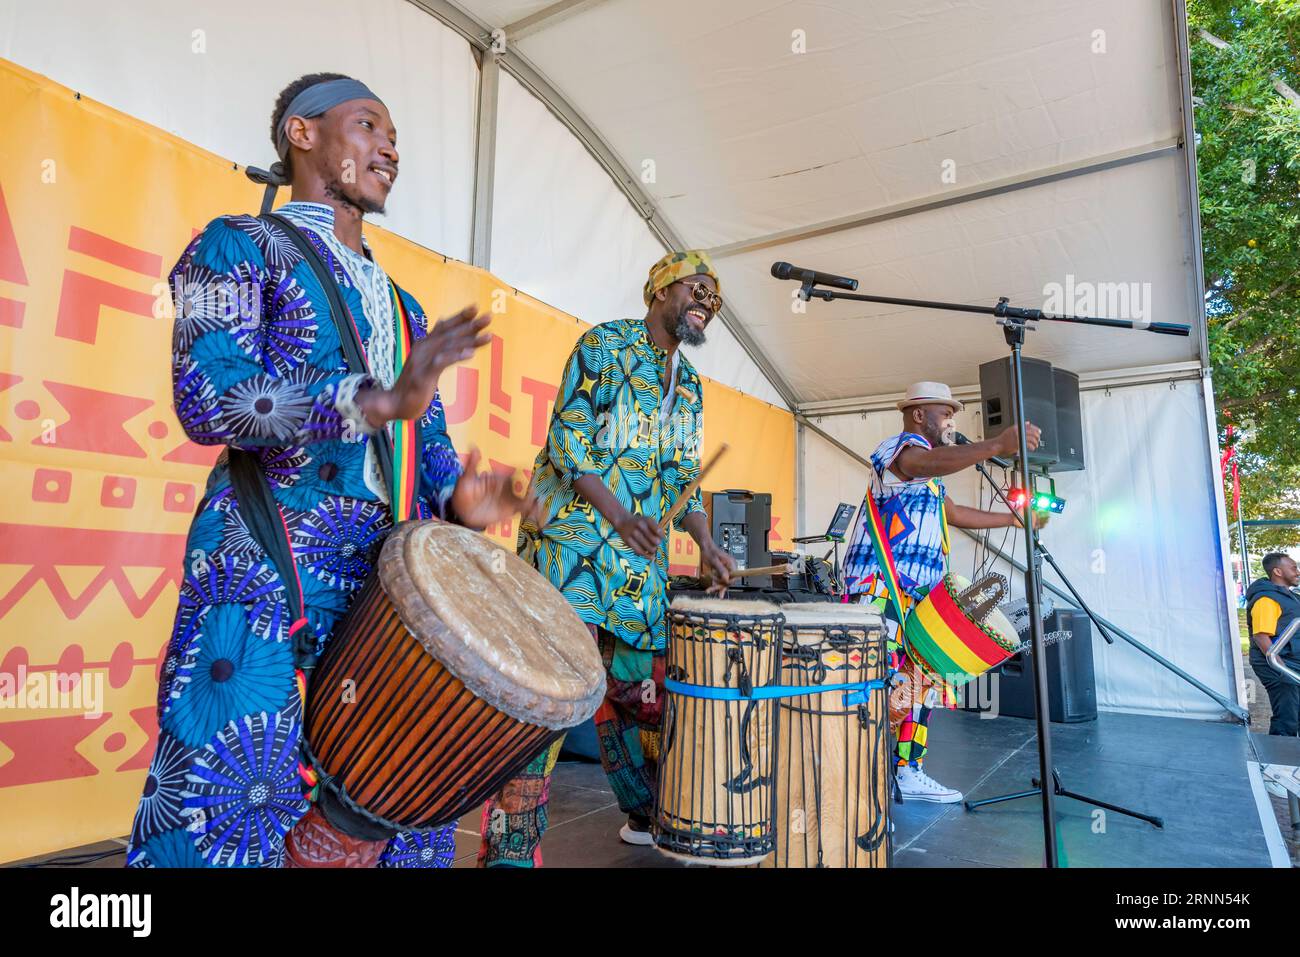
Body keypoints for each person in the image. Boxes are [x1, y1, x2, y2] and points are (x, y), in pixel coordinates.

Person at [126, 73, 533, 868]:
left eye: (395, 137)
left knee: (398, 805)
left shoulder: (406, 305)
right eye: (368, 125)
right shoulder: (236, 243)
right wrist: (372, 401)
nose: (390, 147)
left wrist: (466, 500)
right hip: (260, 561)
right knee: (228, 798)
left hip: (384, 586)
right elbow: (211, 400)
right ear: (301, 135)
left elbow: (431, 452)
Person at [476, 250, 738, 866]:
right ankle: (510, 849)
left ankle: (645, 814)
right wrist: (619, 516)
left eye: (716, 300)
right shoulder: (606, 346)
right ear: (660, 291)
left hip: (635, 562)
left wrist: (704, 544)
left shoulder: (691, 386)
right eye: (698, 289)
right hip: (571, 545)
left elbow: (682, 480)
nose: (707, 304)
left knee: (635, 688)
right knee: (547, 691)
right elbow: (567, 440)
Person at [841, 381, 1045, 803]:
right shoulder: (899, 450)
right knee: (878, 680)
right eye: (945, 413)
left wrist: (1012, 521)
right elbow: (920, 465)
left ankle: (906, 770)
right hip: (880, 588)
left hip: (920, 595)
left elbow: (951, 513)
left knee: (920, 683)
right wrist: (995, 444)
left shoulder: (931, 471)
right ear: (919, 414)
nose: (951, 420)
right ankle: (851, 763)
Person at [1246, 552, 1300, 737]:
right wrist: (1283, 670)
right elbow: (1261, 636)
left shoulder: (1289, 596)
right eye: (1293, 568)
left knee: (1294, 713)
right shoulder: (1266, 599)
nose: (1297, 572)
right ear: (1278, 571)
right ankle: (1280, 762)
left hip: (1291, 660)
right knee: (1287, 716)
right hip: (1278, 663)